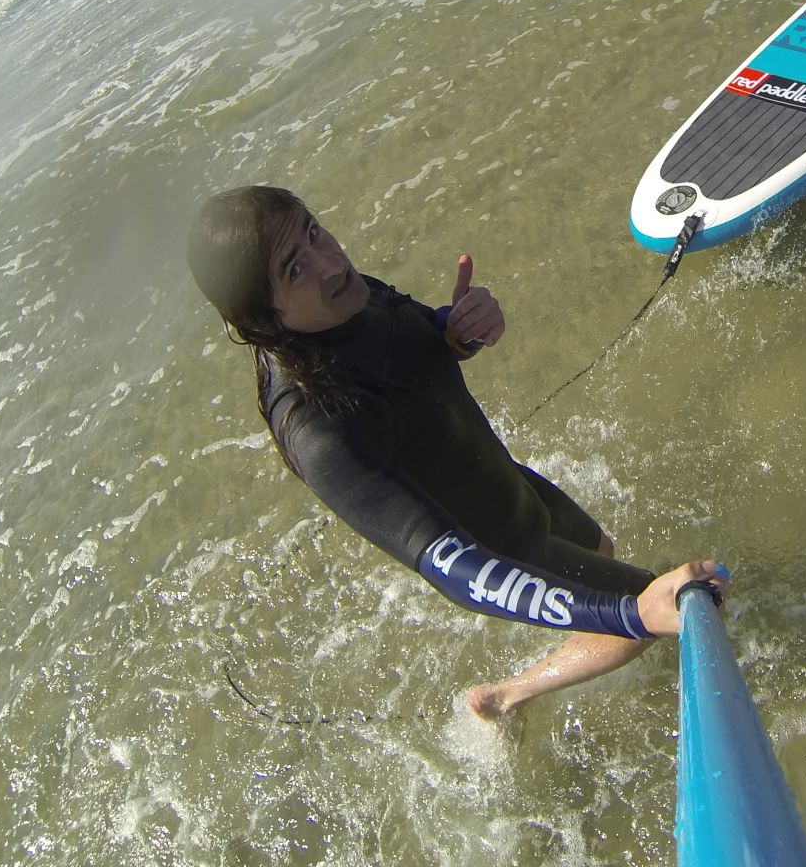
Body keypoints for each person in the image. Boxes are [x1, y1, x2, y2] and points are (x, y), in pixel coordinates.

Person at [187, 184, 726, 721]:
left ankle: (500, 696)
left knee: (602, 552)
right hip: (498, 545)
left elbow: (417, 346)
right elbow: (454, 568)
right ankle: (509, 696)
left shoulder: (346, 294)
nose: (329, 263)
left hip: (509, 483)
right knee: (644, 609)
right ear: (265, 318)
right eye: (294, 270)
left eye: (313, 231)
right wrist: (632, 615)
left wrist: (460, 330)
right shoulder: (316, 427)